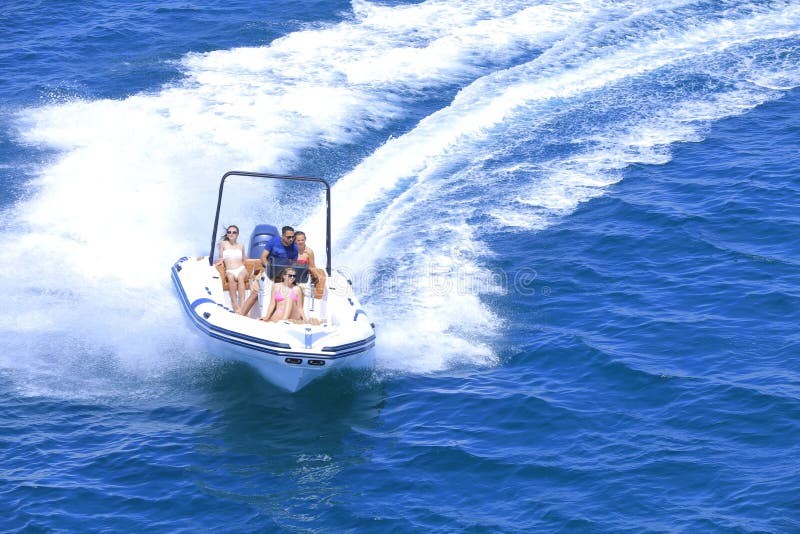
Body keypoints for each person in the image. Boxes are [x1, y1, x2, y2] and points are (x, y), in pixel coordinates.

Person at [216, 225, 247, 314]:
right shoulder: (223, 244)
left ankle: (243, 305)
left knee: (241, 277)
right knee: (230, 277)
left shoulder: (241, 246)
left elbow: (245, 259)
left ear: (237, 234)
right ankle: (234, 304)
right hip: (230, 270)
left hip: (241, 269)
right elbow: (221, 257)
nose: (231, 234)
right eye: (229, 232)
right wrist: (219, 262)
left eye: (234, 232)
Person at [295, 230, 326, 299]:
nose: (301, 242)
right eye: (298, 240)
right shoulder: (290, 251)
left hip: (304, 273)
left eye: (302, 240)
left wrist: (315, 275)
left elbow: (312, 266)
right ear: (294, 241)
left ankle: (317, 297)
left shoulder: (309, 252)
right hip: (292, 273)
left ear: (305, 240)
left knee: (321, 276)